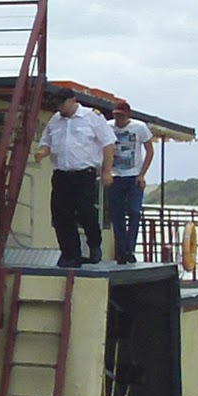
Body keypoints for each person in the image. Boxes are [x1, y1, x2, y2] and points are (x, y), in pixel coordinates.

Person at [33, 88, 115, 267]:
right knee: (61, 215)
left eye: (62, 104)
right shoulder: (55, 120)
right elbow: (47, 142)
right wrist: (42, 152)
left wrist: (107, 171)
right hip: (61, 174)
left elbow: (108, 144)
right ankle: (70, 254)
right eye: (57, 105)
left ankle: (94, 245)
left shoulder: (92, 117)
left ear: (72, 100)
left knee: (86, 211)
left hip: (83, 173)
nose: (59, 108)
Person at [106, 99, 154, 264]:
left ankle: (129, 247)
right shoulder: (108, 126)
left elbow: (149, 151)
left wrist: (142, 174)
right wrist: (106, 171)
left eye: (121, 116)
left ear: (127, 116)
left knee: (134, 211)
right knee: (116, 213)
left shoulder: (139, 127)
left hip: (133, 175)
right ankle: (122, 250)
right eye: (116, 116)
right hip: (116, 175)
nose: (118, 120)